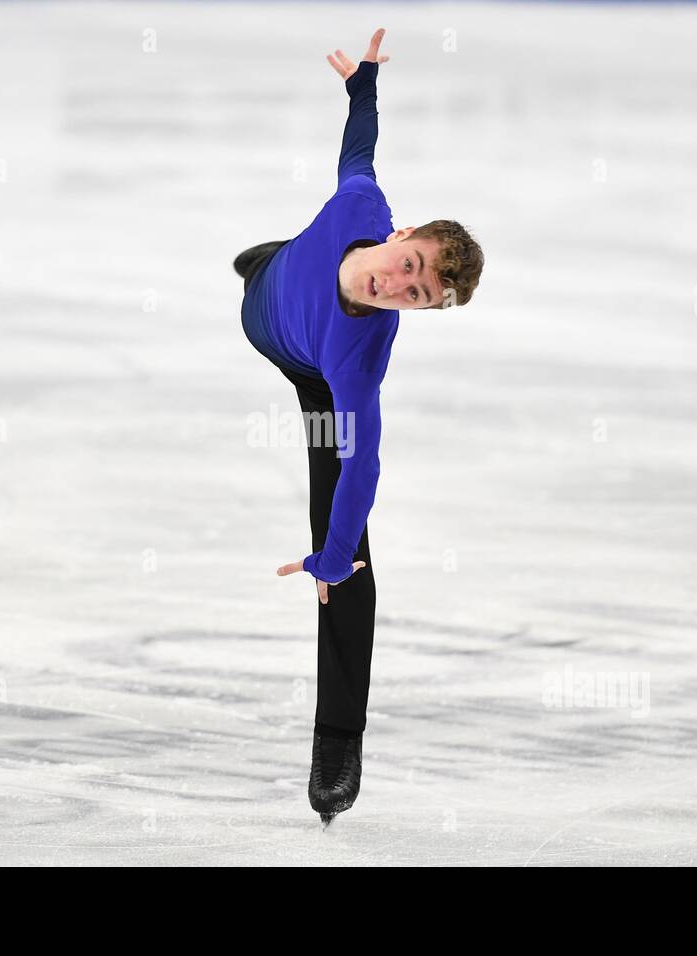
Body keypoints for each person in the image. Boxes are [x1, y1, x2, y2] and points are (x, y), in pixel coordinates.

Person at [235, 28, 484, 827]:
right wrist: (362, 87)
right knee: (284, 260)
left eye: (417, 298)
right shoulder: (362, 208)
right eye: (408, 266)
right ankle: (270, 259)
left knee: (349, 555)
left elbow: (362, 467)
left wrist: (333, 556)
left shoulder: (356, 364)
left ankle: (338, 736)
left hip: (305, 366)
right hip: (276, 288)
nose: (399, 285)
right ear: (400, 233)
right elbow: (360, 153)